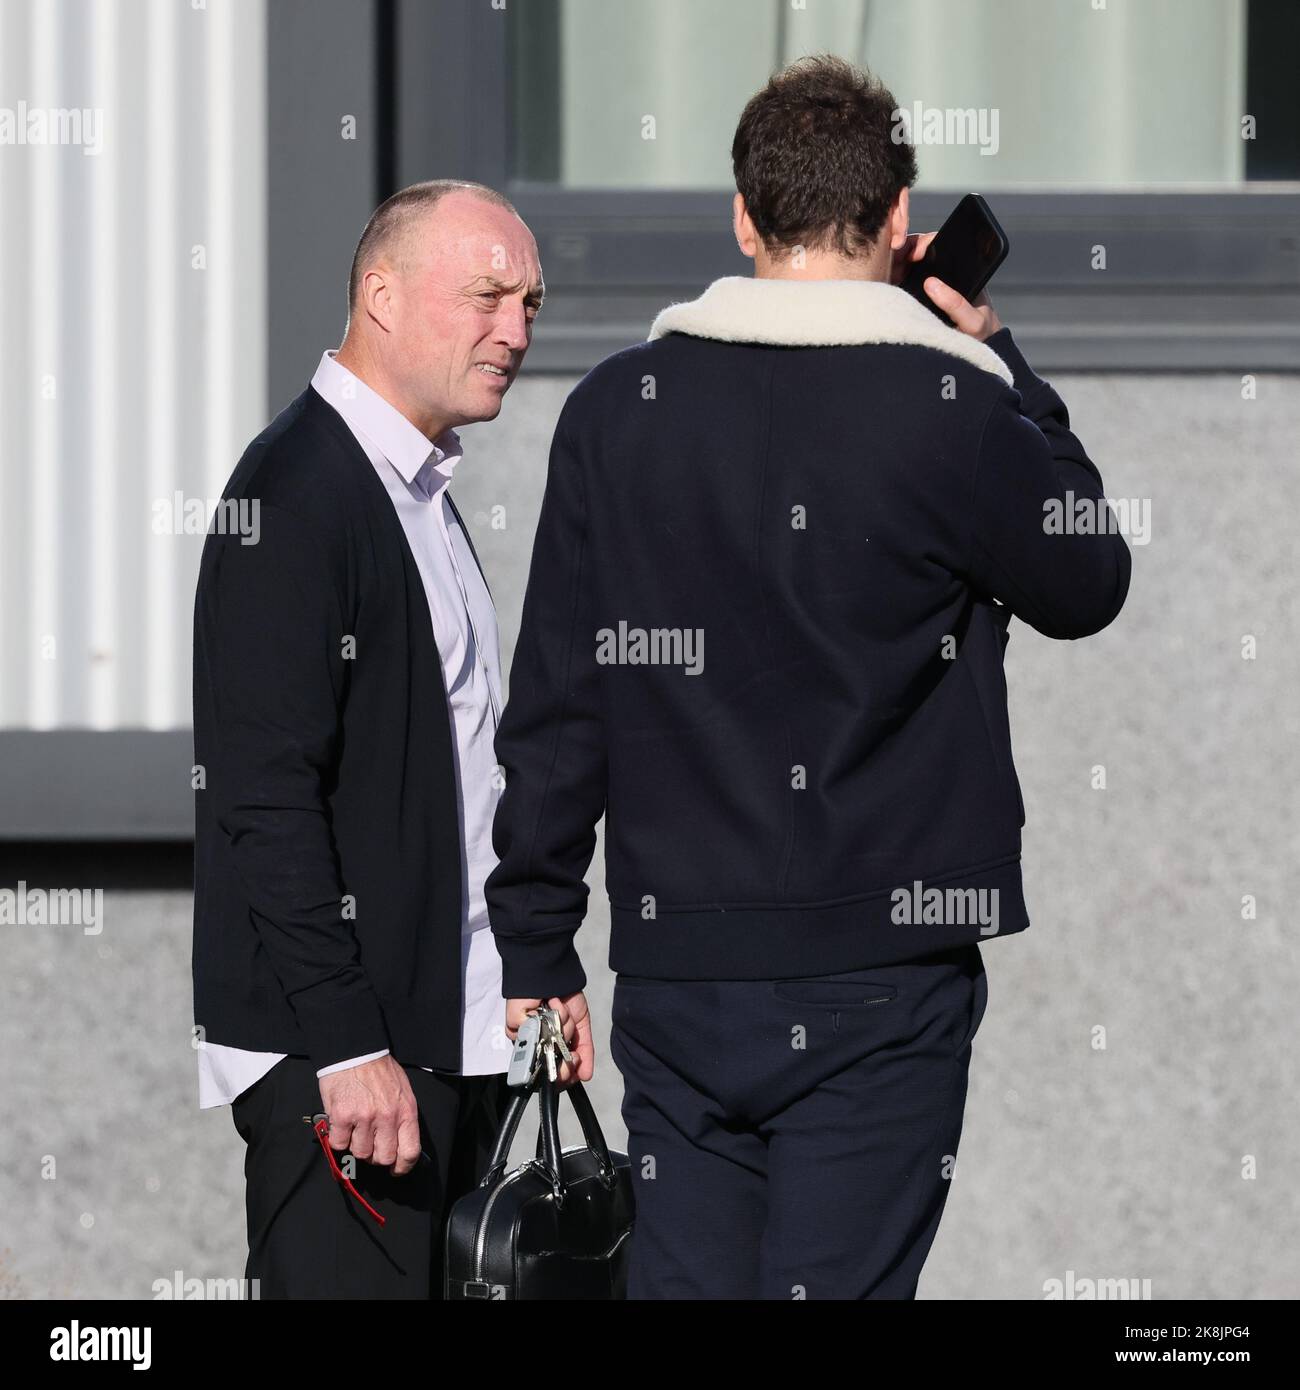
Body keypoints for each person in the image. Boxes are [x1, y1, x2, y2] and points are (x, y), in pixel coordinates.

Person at [487, 56, 1131, 1299]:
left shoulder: (619, 411)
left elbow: (560, 708)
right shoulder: (950, 405)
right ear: (898, 222)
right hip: (884, 975)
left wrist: (537, 949)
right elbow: (1087, 579)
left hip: (678, 969)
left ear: (741, 218)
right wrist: (1003, 363)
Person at [192, 179, 553, 1298]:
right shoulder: (299, 494)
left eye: (531, 303)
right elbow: (263, 796)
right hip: (350, 1065)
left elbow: (453, 773)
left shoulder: (415, 491)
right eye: (488, 295)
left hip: (438, 1048)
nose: (517, 331)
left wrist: (525, 976)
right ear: (380, 295)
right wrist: (348, 1048)